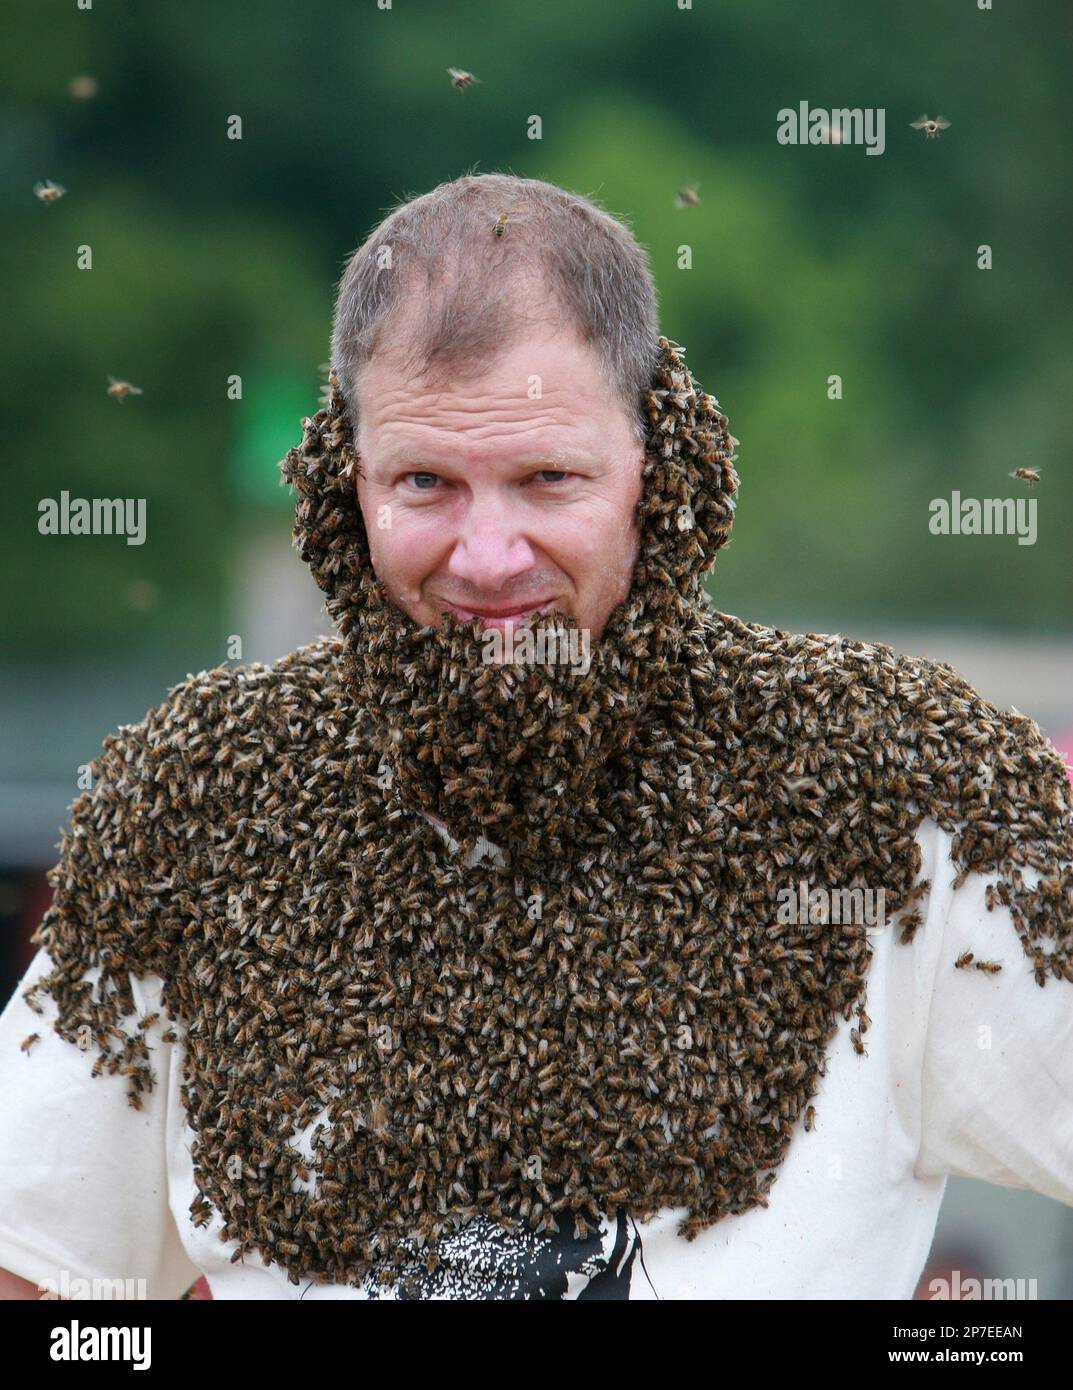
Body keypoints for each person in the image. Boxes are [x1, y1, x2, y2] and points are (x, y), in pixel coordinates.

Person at [1, 173, 1071, 1301]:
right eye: (425, 482)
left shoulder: (895, 788)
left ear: (658, 470)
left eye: (546, 478)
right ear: (340, 484)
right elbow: (39, 1275)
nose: (488, 553)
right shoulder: (199, 804)